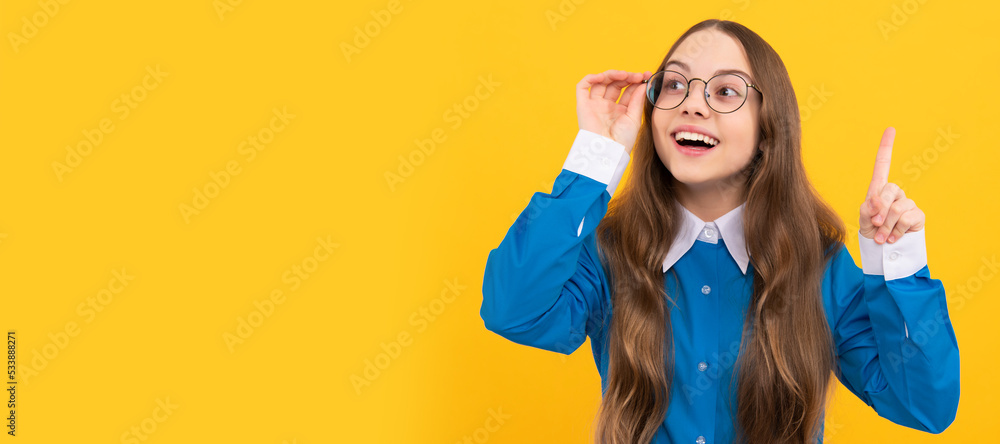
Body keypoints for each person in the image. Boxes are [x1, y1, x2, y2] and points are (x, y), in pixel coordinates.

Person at [479, 19, 960, 444]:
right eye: (675, 85)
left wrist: (896, 261)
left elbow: (922, 406)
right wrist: (595, 159)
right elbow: (514, 311)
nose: (692, 104)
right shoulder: (610, 253)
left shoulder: (821, 267)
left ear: (767, 128)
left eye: (726, 91)